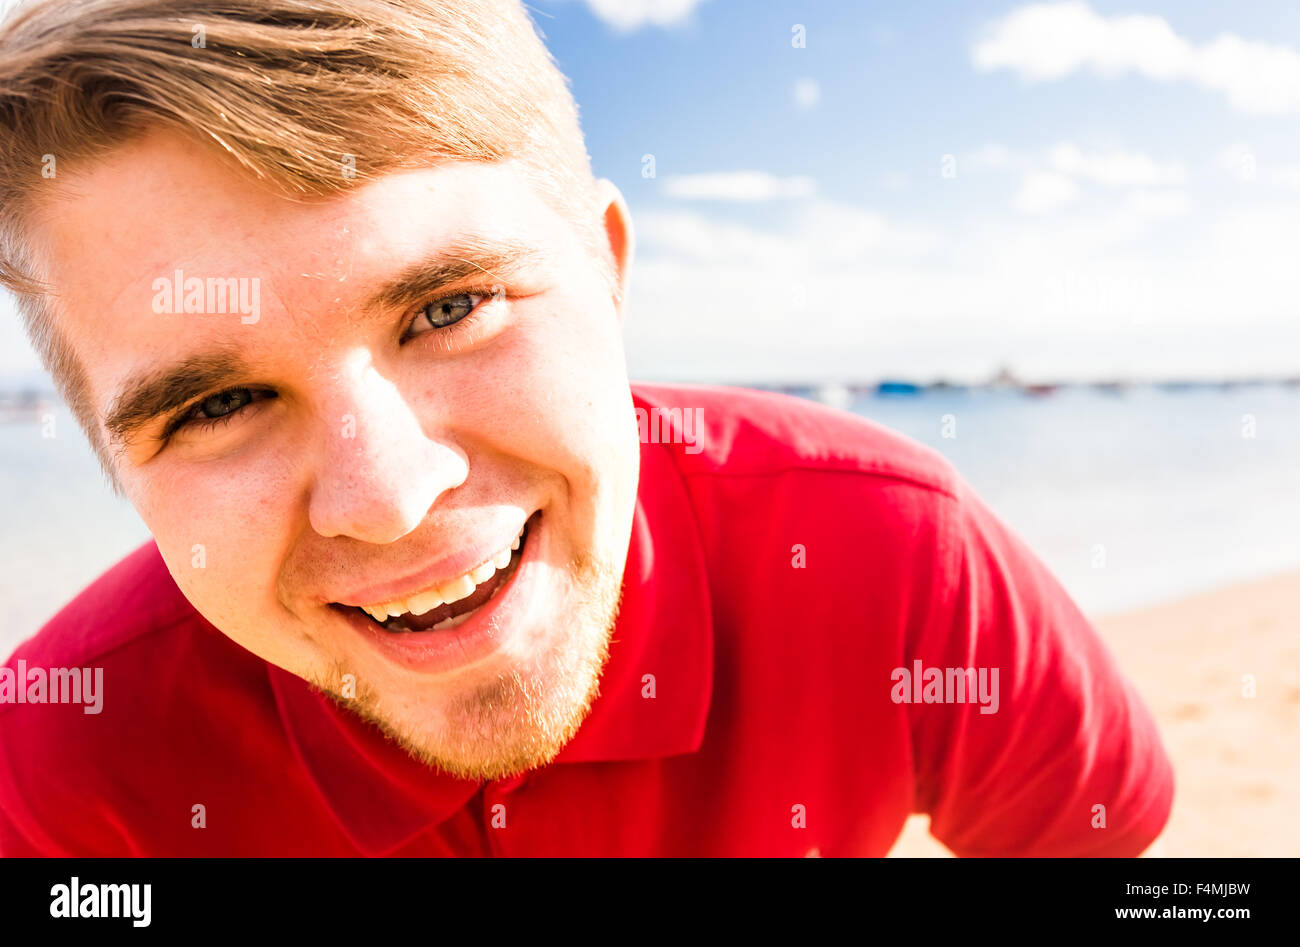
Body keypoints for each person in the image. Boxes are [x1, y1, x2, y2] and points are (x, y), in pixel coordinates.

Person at [0, 0, 1172, 856]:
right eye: (215, 404)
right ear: (112, 458)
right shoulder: (58, 775)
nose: (390, 495)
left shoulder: (894, 548)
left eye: (448, 308)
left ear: (608, 273)